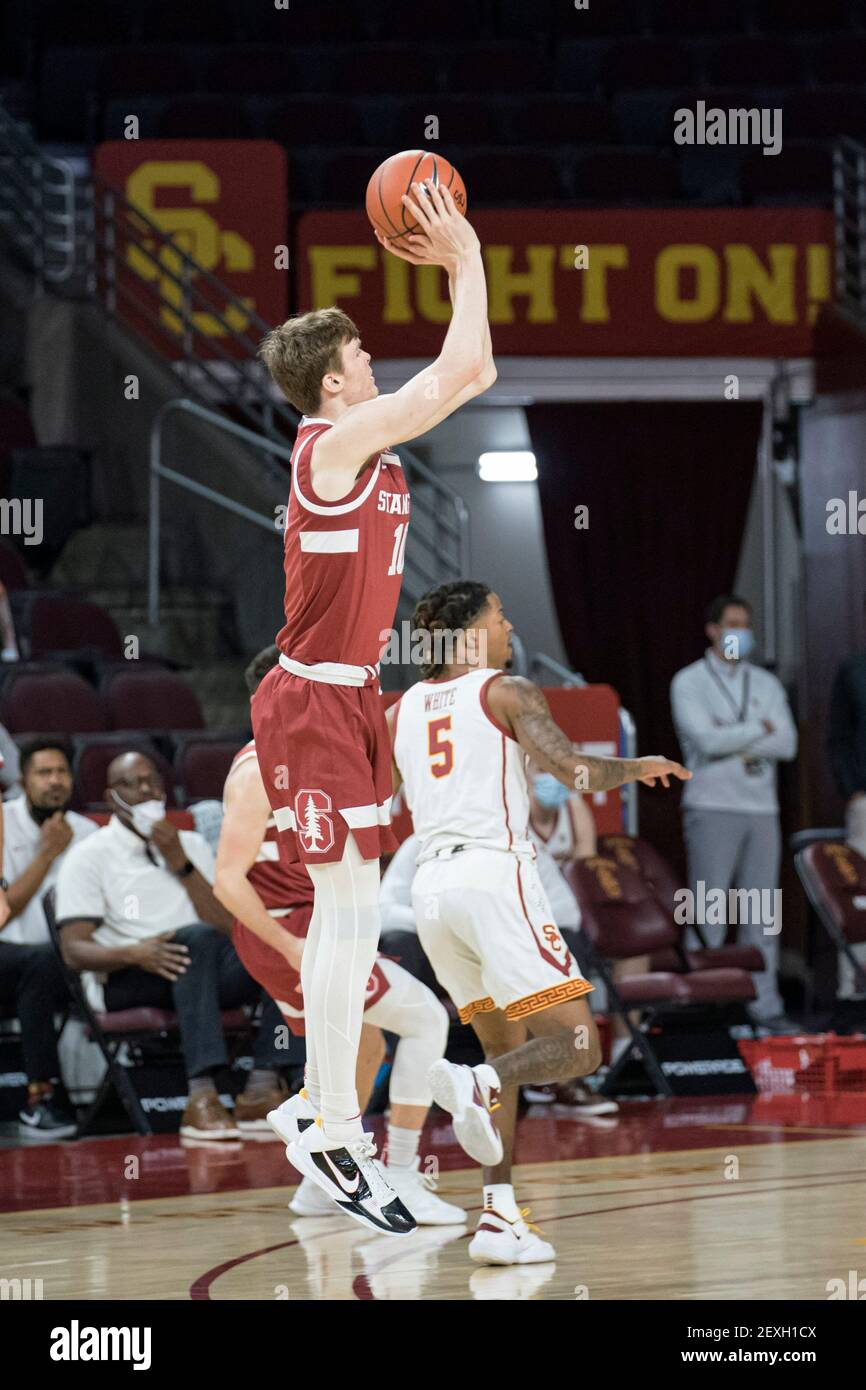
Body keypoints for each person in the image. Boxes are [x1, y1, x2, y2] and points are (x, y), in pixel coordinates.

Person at [252, 179, 494, 1234]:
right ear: (331, 383)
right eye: (355, 356)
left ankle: (336, 1124)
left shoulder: (358, 450)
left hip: (354, 698)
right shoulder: (332, 445)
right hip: (308, 700)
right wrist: (463, 254)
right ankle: (325, 1118)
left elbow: (454, 379)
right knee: (345, 907)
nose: (369, 361)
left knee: (355, 911)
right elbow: (469, 369)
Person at [387, 580, 689, 1265]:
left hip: (433, 889)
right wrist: (639, 765)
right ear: (471, 632)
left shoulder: (400, 709)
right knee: (581, 1045)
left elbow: (379, 799)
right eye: (498, 615)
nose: (509, 624)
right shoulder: (507, 691)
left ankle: (497, 1217)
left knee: (507, 1053)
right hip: (494, 876)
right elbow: (575, 771)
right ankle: (471, 1085)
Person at [214, 646, 464, 1228]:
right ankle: (401, 1173)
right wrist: (290, 947)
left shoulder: (308, 763)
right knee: (427, 1020)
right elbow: (227, 881)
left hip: (311, 923)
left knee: (361, 1047)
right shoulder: (256, 772)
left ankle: (316, 1185)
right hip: (288, 928)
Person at [54, 752, 292, 1141]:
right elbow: (74, 951)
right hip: (129, 975)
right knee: (193, 939)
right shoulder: (89, 856)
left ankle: (261, 1087)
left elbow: (230, 925)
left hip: (201, 970)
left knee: (281, 945)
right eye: (133, 783)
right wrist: (136, 953)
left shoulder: (192, 844)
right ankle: (201, 1096)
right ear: (112, 797)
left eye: (152, 780)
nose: (147, 789)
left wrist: (181, 864)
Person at [671, 595, 798, 1032]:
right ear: (712, 630)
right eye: (732, 624)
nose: (740, 633)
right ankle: (706, 1008)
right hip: (711, 805)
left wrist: (733, 736)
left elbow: (788, 744)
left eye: (745, 624)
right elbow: (705, 742)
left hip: (762, 807)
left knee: (762, 911)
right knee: (708, 907)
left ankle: (765, 1006)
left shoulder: (765, 684)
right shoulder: (689, 682)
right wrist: (758, 730)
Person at [0, 740, 97, 1135]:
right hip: (9, 960)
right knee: (39, 962)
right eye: (44, 773)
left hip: (66, 965)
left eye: (62, 772)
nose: (55, 781)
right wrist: (45, 855)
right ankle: (43, 1099)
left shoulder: (88, 832)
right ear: (23, 779)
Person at [827, 616, 866, 999]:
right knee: (859, 900)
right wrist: (852, 789)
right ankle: (855, 995)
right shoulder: (854, 670)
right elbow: (837, 738)